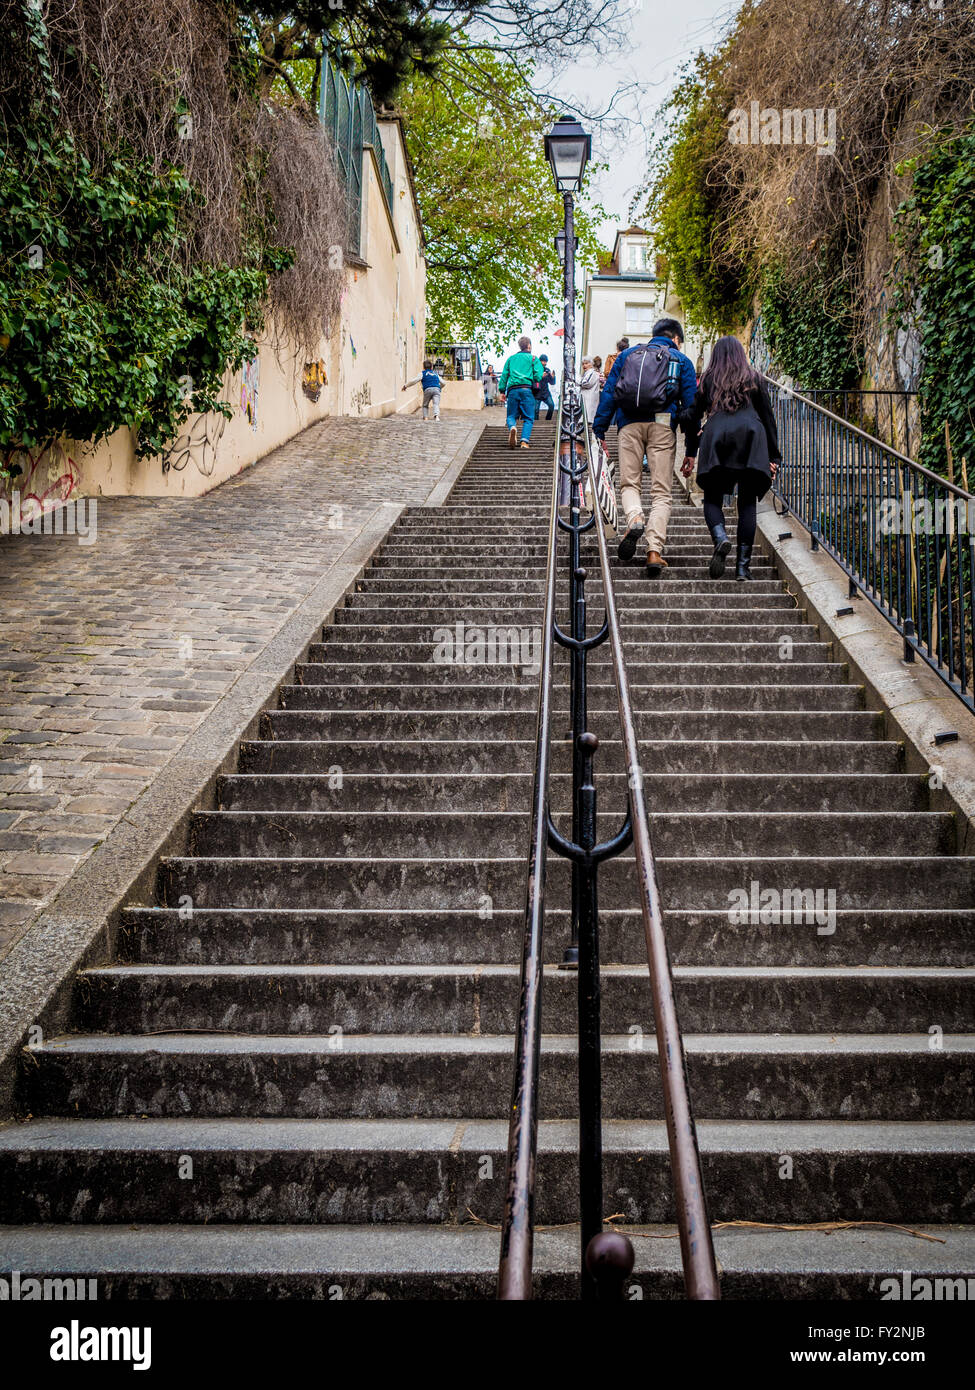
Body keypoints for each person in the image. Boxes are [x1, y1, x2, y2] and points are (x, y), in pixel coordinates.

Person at [592, 317, 697, 576]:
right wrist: (692, 449)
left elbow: (609, 394)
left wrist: (600, 429)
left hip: (628, 425)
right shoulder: (680, 360)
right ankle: (654, 551)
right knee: (661, 491)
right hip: (663, 424)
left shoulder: (627, 355)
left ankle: (635, 517)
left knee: (629, 483)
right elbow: (692, 407)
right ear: (675, 339)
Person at [679, 334, 781, 581]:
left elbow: (692, 413)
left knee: (712, 498)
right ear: (740, 354)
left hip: (717, 437)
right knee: (747, 503)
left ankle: (720, 538)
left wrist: (685, 428)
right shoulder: (754, 377)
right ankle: (743, 569)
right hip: (751, 438)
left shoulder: (709, 379)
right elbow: (768, 419)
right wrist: (773, 457)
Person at [498, 336, 543, 449]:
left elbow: (504, 375)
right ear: (529, 346)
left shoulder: (511, 359)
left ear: (520, 346)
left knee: (511, 415)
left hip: (512, 390)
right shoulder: (533, 359)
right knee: (528, 417)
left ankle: (513, 427)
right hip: (527, 389)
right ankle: (524, 442)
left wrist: (502, 391)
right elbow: (538, 375)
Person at [534, 355, 557, 421]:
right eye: (543, 361)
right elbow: (533, 380)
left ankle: (548, 420)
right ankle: (536, 424)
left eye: (545, 361)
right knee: (535, 410)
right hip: (537, 393)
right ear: (539, 361)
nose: (544, 363)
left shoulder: (547, 370)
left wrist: (553, 377)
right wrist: (541, 376)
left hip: (545, 393)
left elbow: (552, 383)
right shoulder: (535, 370)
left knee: (551, 405)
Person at [580, 357, 601, 423]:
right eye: (583, 364)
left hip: (589, 397)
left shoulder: (592, 373)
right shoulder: (588, 373)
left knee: (588, 417)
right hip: (587, 397)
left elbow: (587, 383)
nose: (584, 365)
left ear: (591, 364)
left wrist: (579, 382)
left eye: (586, 363)